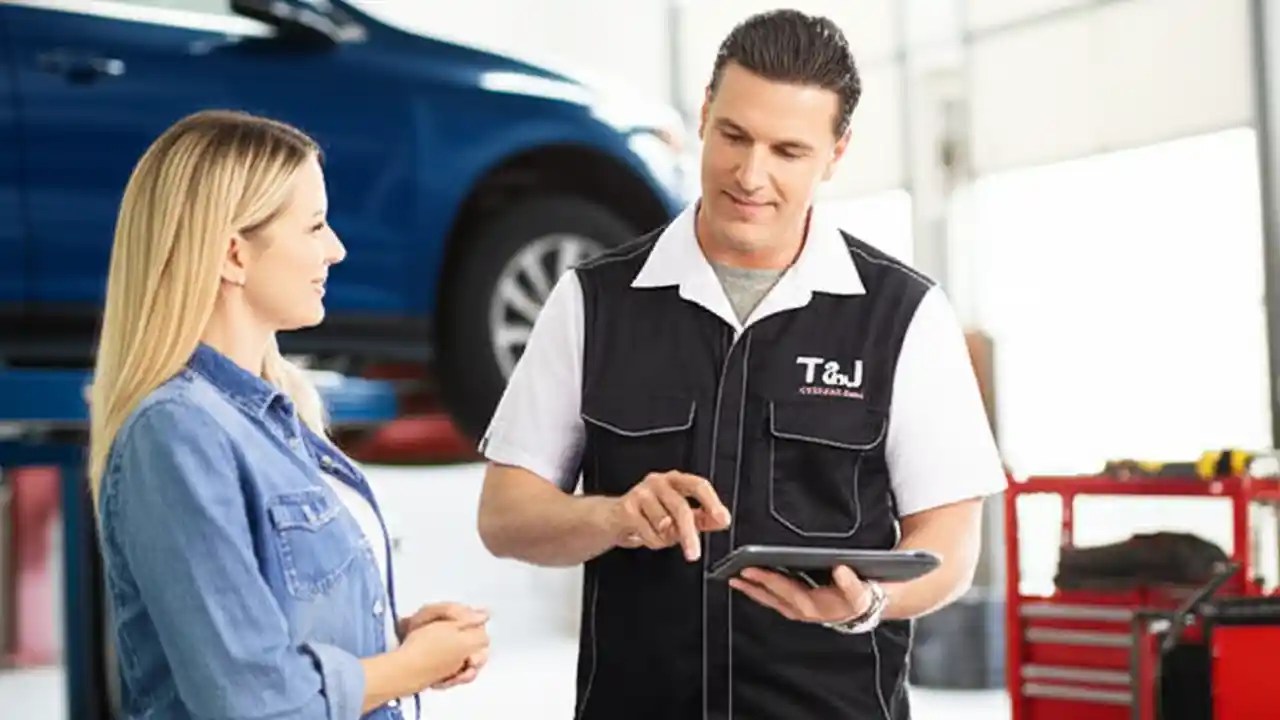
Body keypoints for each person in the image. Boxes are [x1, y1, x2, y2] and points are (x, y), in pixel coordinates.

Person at [475, 9, 1007, 720]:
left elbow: (948, 544)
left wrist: (871, 601)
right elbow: (505, 516)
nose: (750, 175)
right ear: (703, 113)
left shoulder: (903, 316)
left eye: (788, 151)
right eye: (734, 136)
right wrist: (615, 517)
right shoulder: (592, 302)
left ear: (836, 152)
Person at [87, 109, 489, 719]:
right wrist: (409, 668)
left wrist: (395, 640)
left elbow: (273, 638)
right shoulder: (175, 435)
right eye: (315, 226)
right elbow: (250, 701)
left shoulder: (273, 417)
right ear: (233, 255)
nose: (337, 248)